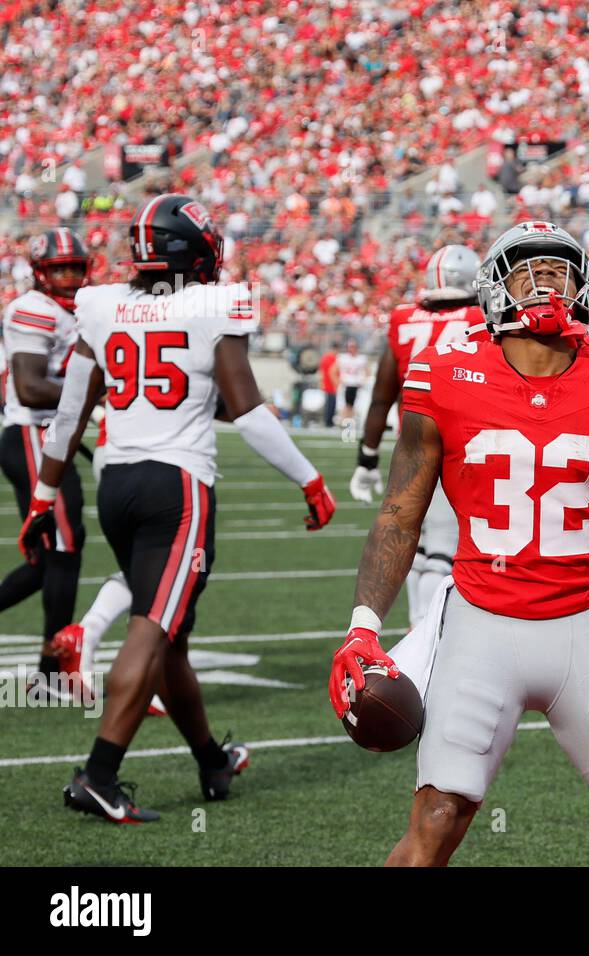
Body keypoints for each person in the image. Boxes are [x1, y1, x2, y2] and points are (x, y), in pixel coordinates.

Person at [328, 220, 589, 866]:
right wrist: (363, 628)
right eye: (526, 269)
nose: (544, 281)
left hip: (582, 629)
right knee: (437, 820)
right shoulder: (444, 374)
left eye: (559, 268)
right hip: (481, 627)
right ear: (493, 290)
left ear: (585, 286)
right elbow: (399, 514)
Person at [24, 193, 338, 822]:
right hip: (178, 487)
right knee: (153, 629)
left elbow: (68, 415)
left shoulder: (102, 305)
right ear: (194, 252)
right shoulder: (213, 305)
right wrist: (311, 480)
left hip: (117, 485)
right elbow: (248, 412)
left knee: (173, 640)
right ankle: (100, 774)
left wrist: (44, 493)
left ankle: (211, 762)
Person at [350, 243, 483, 630]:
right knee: (442, 544)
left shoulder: (403, 319)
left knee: (414, 541)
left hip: (411, 442)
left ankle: (416, 627)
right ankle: (425, 633)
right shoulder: (479, 318)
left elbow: (380, 396)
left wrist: (367, 457)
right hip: (459, 442)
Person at [1, 228, 90, 698]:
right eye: (61, 269)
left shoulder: (69, 311)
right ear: (41, 272)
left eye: (76, 267)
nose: (71, 277)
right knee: (66, 544)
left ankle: (51, 669)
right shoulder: (33, 309)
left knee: (46, 561)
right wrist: (103, 389)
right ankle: (52, 673)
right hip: (31, 433)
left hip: (47, 437)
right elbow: (31, 387)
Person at [336, 339, 368, 424]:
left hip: (356, 385)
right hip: (346, 384)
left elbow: (367, 371)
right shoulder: (343, 358)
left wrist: (364, 380)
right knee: (345, 405)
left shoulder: (361, 359)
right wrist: (337, 382)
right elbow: (333, 370)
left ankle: (351, 424)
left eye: (353, 347)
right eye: (350, 347)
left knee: (355, 406)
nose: (352, 349)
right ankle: (344, 423)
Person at [319, 344, 338, 426]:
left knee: (331, 403)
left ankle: (329, 420)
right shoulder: (332, 359)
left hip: (330, 384)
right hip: (331, 384)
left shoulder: (326, 358)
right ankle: (328, 421)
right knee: (331, 404)